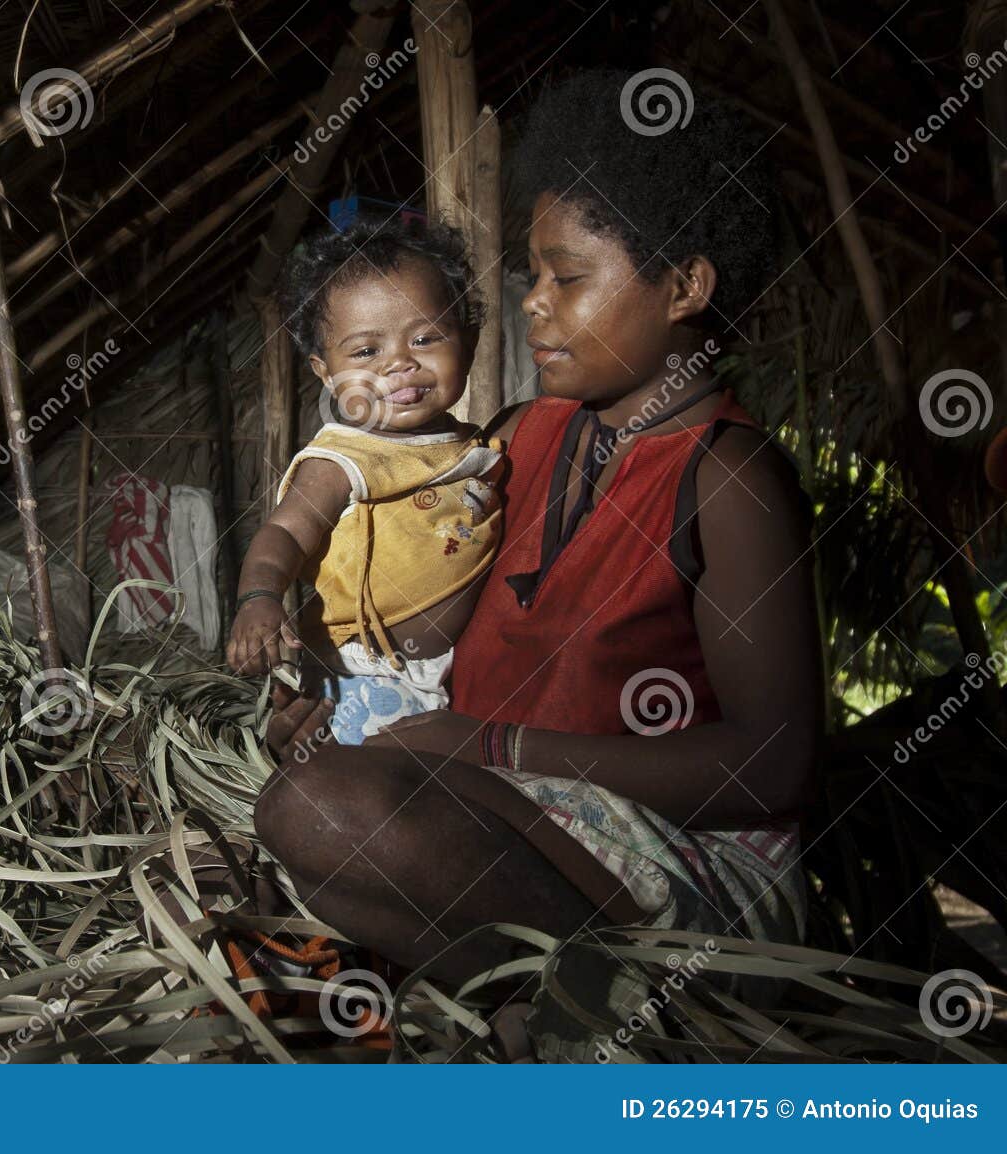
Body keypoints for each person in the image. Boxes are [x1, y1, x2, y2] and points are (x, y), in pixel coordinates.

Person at [253, 71, 823, 1050]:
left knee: (322, 812)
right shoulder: (519, 438)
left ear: (684, 286)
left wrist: (489, 749)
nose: (534, 305)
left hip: (688, 872)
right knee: (282, 843)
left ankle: (599, 1018)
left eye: (568, 278)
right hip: (504, 815)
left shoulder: (728, 479)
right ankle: (523, 1010)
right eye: (531, 277)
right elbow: (435, 603)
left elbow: (775, 763)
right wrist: (327, 683)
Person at [225, 216, 505, 744]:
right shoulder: (342, 458)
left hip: (453, 674)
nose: (400, 363)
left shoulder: (473, 446)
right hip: (363, 674)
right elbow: (284, 533)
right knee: (382, 780)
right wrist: (259, 596)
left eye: (425, 337)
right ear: (326, 373)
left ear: (467, 343)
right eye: (366, 352)